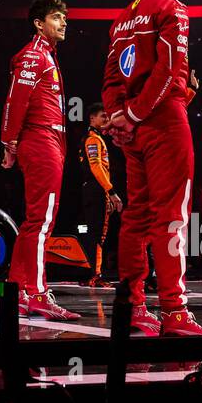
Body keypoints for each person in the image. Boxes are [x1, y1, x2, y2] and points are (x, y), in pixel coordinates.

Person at [102, 0, 202, 337]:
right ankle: (174, 311)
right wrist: (134, 114)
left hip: (136, 130)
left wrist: (120, 118)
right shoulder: (172, 10)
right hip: (163, 124)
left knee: (135, 217)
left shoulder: (122, 18)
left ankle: (133, 306)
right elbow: (168, 72)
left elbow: (112, 79)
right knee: (172, 217)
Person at [1, 0, 81, 320]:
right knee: (42, 220)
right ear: (39, 23)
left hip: (50, 140)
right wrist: (9, 143)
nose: (64, 23)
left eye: (64, 18)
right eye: (57, 17)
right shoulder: (34, 56)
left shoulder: (46, 55)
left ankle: (19, 290)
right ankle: (36, 293)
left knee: (36, 220)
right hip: (41, 139)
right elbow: (15, 101)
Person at [79, 103, 123, 288]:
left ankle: (94, 274)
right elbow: (96, 166)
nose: (106, 119)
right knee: (98, 234)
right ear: (92, 118)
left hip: (94, 190)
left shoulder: (95, 139)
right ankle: (95, 275)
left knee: (96, 233)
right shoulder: (93, 140)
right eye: (103, 116)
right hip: (96, 190)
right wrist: (111, 191)